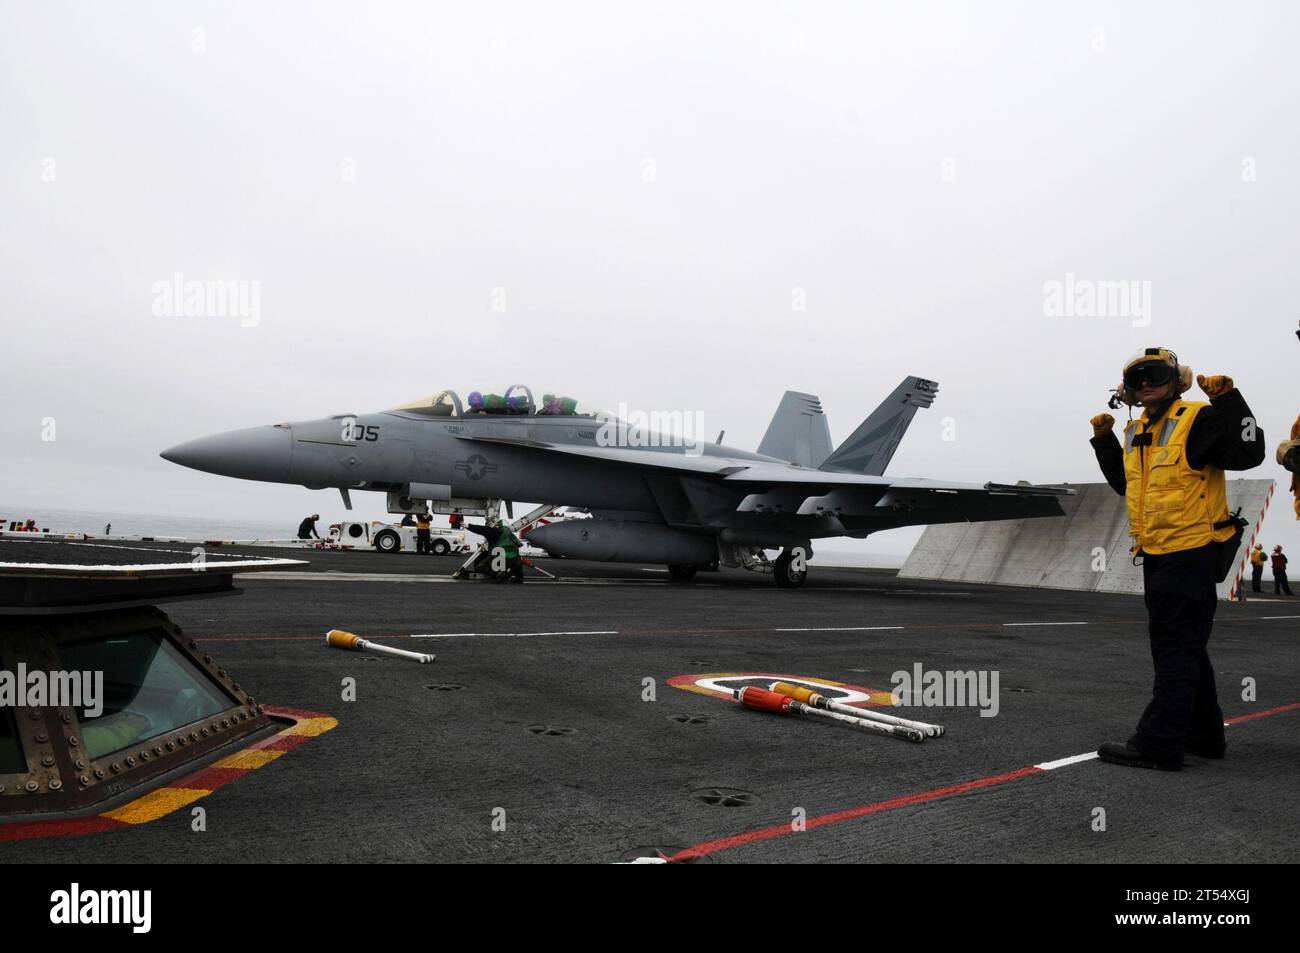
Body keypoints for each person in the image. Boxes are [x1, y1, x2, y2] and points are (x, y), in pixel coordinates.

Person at [1089, 348, 1264, 770]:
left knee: (1174, 650)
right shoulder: (1137, 431)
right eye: (1136, 379)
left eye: (1154, 374)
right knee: (1187, 648)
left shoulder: (1197, 418)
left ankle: (1159, 744)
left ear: (1177, 378)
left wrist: (1228, 400)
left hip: (1191, 552)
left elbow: (1247, 454)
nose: (1145, 383)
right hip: (1157, 554)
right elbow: (1124, 485)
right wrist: (1104, 441)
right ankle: (1204, 737)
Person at [459, 518, 524, 582]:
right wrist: (519, 576)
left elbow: (483, 530)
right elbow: (517, 547)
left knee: (480, 567)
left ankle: (499, 574)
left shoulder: (496, 531)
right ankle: (517, 577)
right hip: (514, 560)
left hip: (501, 556)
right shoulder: (508, 533)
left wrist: (468, 526)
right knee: (515, 562)